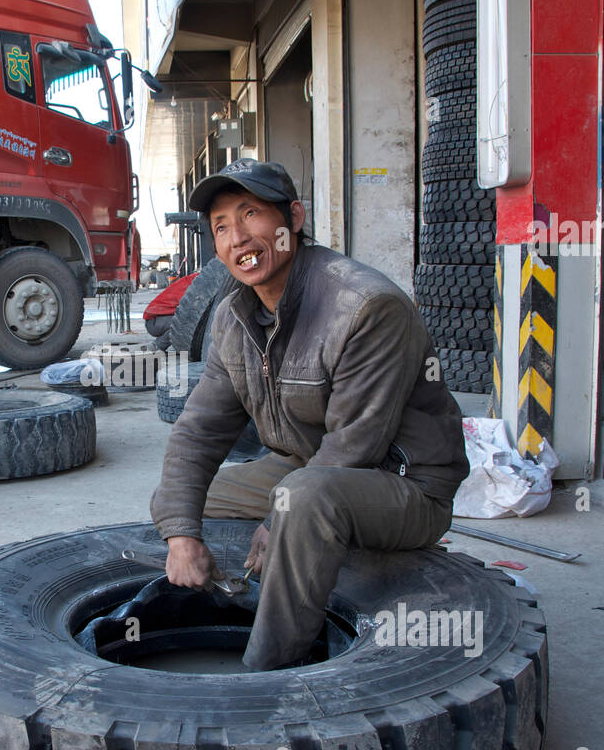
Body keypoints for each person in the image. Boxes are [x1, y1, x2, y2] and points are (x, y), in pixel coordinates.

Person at [149, 158, 469, 671]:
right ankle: (226, 601)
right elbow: (197, 433)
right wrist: (182, 534)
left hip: (405, 483)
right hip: (306, 469)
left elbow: (357, 445)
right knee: (179, 501)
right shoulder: (235, 316)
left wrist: (279, 518)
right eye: (222, 227)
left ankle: (267, 672)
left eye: (251, 214)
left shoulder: (365, 306)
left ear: (293, 219)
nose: (238, 238)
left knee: (299, 502)